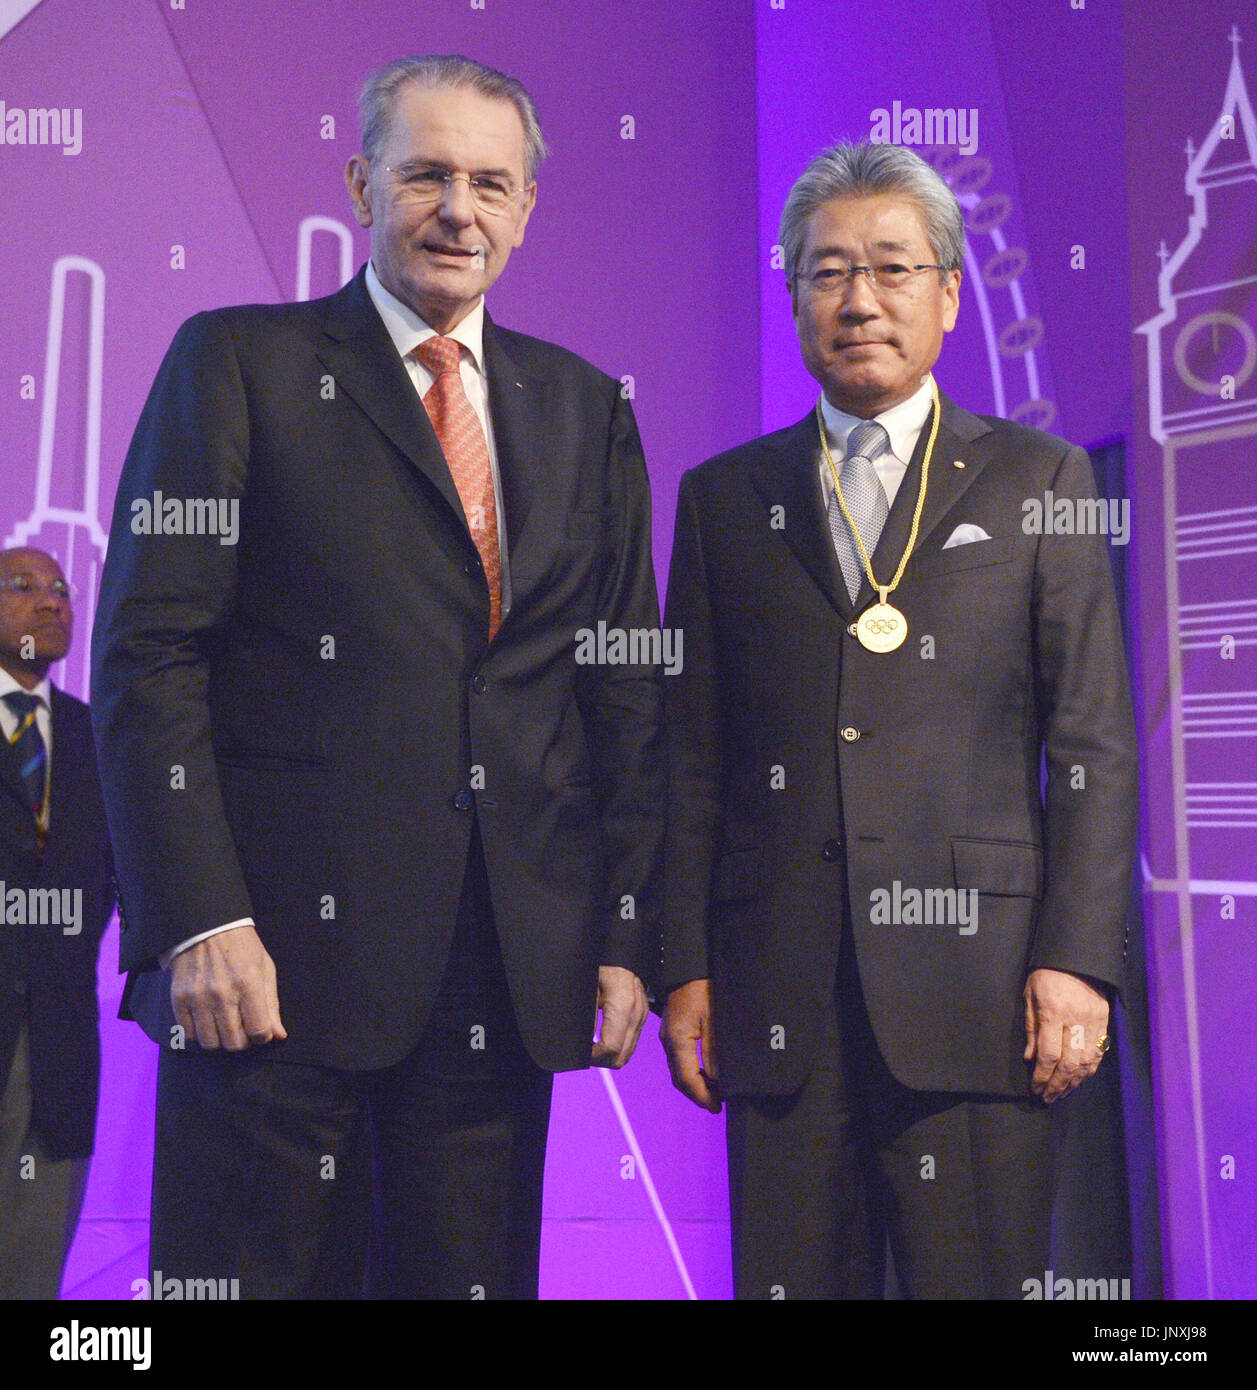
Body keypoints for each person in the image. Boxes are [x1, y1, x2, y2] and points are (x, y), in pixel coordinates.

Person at [91, 54, 664, 1300]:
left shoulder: (583, 409)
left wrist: (626, 930)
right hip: (269, 973)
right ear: (361, 183)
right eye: (427, 174)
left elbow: (620, 687)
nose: (460, 208)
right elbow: (149, 654)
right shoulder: (235, 363)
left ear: (525, 210)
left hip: (499, 981)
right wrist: (198, 914)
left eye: (491, 183)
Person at [659, 141, 1138, 1299]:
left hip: (983, 993)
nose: (859, 300)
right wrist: (682, 966)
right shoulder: (726, 497)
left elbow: (1092, 741)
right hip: (780, 993)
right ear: (792, 295)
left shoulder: (1043, 480)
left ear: (949, 293)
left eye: (891, 267)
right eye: (825, 272)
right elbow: (688, 754)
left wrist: (1077, 960)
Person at [0, 547, 115, 1299]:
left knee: (32, 1269)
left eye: (61, 589)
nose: (50, 602)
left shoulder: (102, 737)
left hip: (59, 1047)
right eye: (22, 586)